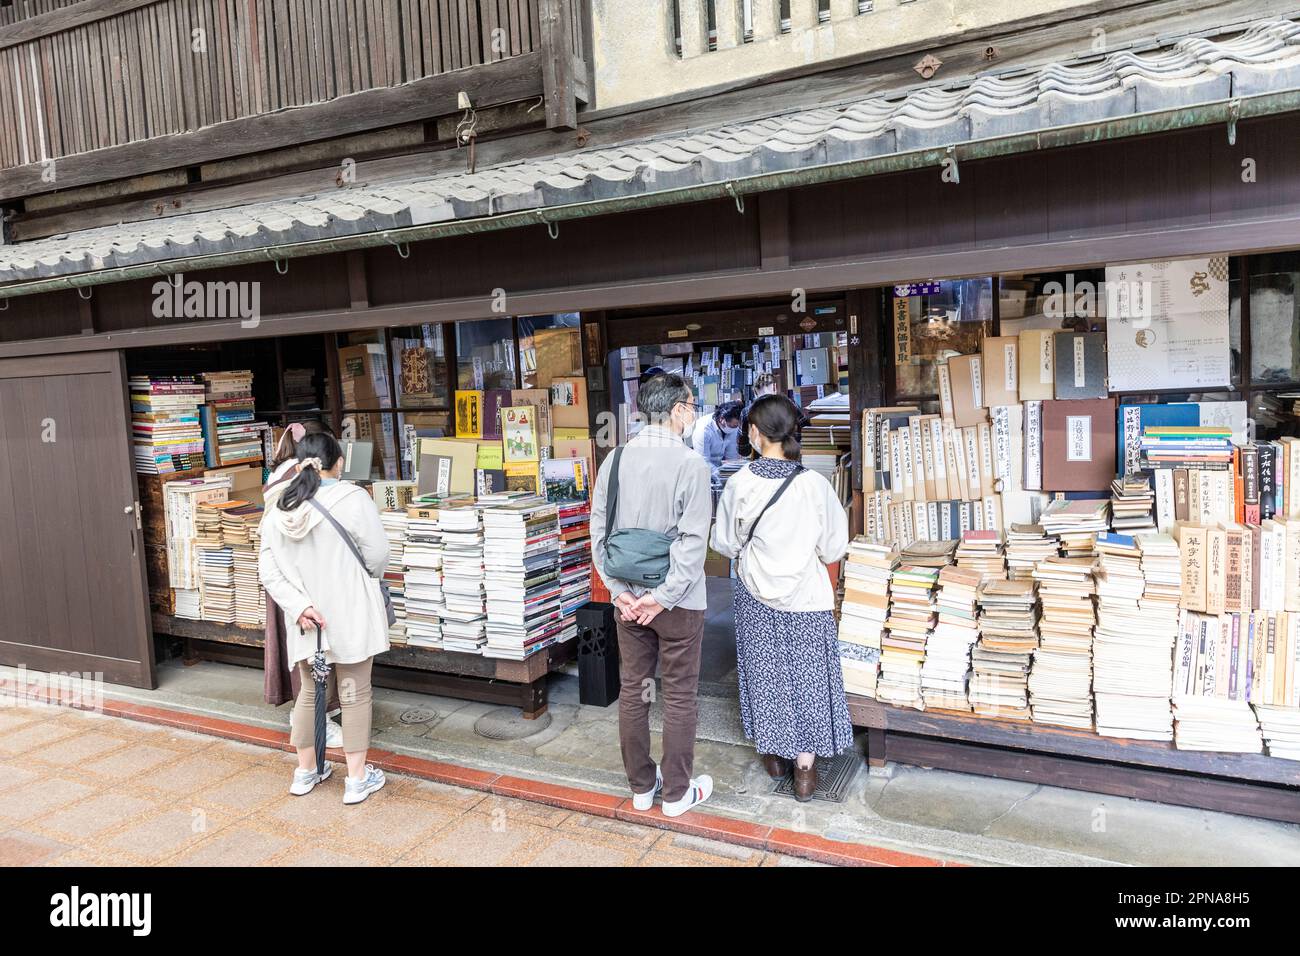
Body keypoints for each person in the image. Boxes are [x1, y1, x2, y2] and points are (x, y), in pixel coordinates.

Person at [710, 394, 852, 802]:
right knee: (808, 678)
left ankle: (773, 754)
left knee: (765, 675)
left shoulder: (739, 483)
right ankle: (805, 771)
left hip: (755, 598)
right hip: (807, 599)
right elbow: (833, 548)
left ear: (755, 433)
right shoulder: (815, 485)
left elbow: (724, 543)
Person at [591, 373, 714, 818]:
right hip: (678, 603)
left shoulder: (615, 459)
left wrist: (619, 592)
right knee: (679, 695)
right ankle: (677, 793)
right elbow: (694, 541)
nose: (693, 413)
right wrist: (663, 597)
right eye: (692, 405)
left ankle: (642, 787)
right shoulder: (690, 464)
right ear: (678, 409)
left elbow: (599, 532)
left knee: (635, 690)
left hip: (628, 601)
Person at [259, 431, 391, 805]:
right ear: (340, 463)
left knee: (309, 693)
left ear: (299, 464)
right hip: (351, 612)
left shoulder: (280, 506)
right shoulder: (353, 499)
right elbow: (378, 555)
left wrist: (299, 606)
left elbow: (268, 569)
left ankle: (306, 772)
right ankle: (356, 779)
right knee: (354, 692)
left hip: (308, 620)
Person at [262, 420, 344, 749]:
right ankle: (313, 723)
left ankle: (314, 724)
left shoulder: (282, 471)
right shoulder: (295, 477)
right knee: (312, 656)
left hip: (288, 579)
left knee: (306, 652)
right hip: (301, 580)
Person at [693, 401, 743, 481]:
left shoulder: (734, 427)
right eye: (733, 426)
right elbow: (703, 462)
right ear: (721, 419)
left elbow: (731, 458)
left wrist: (732, 473)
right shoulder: (704, 430)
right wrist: (721, 475)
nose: (735, 428)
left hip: (720, 470)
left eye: (737, 426)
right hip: (703, 471)